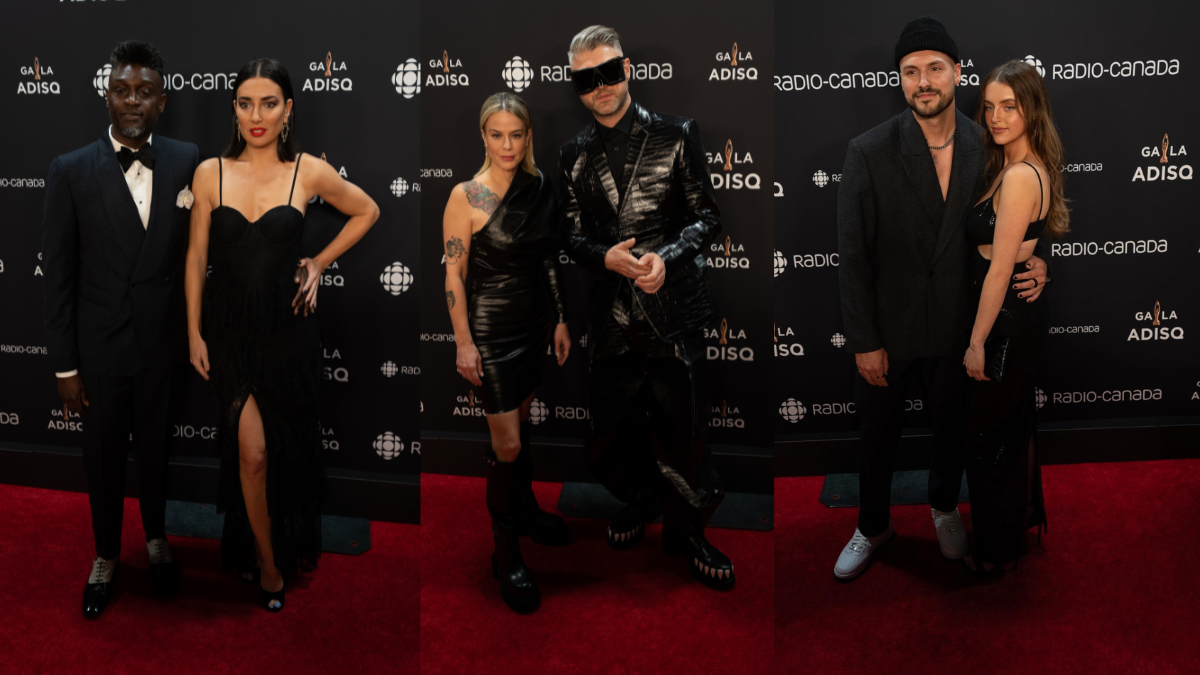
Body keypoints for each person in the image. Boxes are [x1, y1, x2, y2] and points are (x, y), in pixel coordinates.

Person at [834, 16, 1050, 581]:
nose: (923, 81)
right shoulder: (869, 150)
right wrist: (865, 340)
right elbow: (852, 257)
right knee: (876, 438)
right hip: (891, 330)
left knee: (951, 435)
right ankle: (872, 524)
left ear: (957, 72)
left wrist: (1037, 258)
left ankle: (944, 508)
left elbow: (1015, 220)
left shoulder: (992, 144)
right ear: (900, 81)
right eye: (911, 72)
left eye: (934, 68)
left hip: (959, 330)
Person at [184, 57, 379, 612]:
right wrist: (193, 332)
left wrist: (317, 261)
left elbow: (367, 210)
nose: (256, 115)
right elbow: (196, 257)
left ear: (288, 109)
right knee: (253, 454)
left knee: (285, 453)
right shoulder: (209, 173)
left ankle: (268, 546)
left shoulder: (308, 172)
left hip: (288, 331)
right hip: (228, 330)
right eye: (245, 103)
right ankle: (269, 565)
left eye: (269, 103)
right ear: (234, 109)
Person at [559, 25, 733, 590]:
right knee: (614, 428)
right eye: (586, 79)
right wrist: (604, 258)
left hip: (669, 308)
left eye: (609, 72)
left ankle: (690, 529)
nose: (600, 87)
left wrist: (667, 258)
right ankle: (638, 500)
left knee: (681, 426)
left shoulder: (677, 135)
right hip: (608, 315)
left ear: (628, 69)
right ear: (576, 85)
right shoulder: (572, 155)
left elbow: (707, 218)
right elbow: (571, 237)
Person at [42, 40, 197, 620]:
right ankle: (106, 555)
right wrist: (65, 365)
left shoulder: (187, 159)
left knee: (156, 454)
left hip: (162, 348)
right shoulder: (71, 169)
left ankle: (156, 539)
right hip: (100, 353)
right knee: (103, 462)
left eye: (145, 92)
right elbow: (56, 277)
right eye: (122, 90)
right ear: (107, 94)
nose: (133, 101)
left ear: (163, 100)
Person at [443, 92, 571, 613]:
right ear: (483, 136)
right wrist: (463, 342)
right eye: (497, 135)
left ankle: (528, 509)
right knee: (509, 444)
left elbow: (547, 261)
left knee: (520, 426)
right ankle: (506, 551)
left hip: (534, 322)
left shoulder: (540, 187)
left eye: (516, 135)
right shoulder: (466, 196)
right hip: (492, 332)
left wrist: (560, 318)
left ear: (528, 137)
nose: (507, 145)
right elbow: (453, 272)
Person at [960, 60, 1065, 575]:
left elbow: (1000, 271)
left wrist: (976, 341)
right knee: (1005, 430)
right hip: (1012, 315)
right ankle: (1008, 533)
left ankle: (996, 552)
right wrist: (1039, 263)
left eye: (1010, 106)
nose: (996, 117)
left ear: (1031, 109)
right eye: (990, 106)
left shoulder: (1021, 175)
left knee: (987, 438)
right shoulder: (1015, 164)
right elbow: (1023, 251)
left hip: (1001, 320)